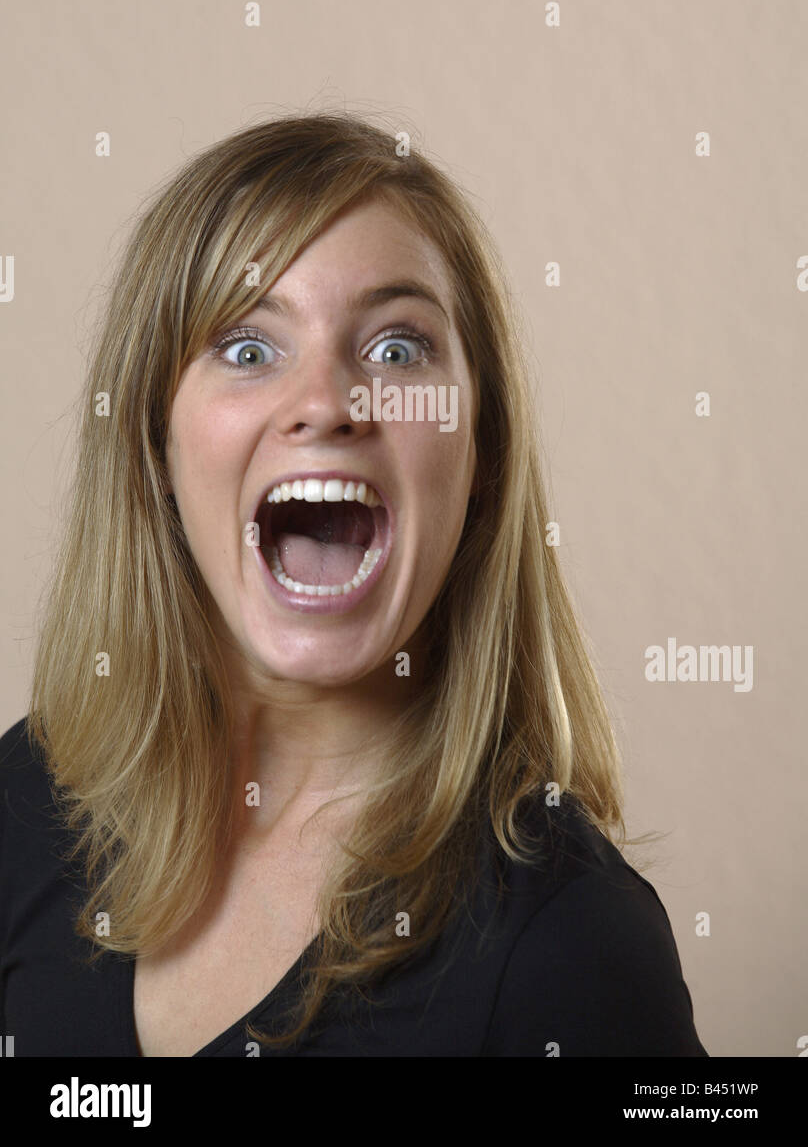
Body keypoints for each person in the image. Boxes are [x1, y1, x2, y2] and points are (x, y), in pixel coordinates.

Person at [0, 113, 708, 1057]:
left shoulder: (574, 950)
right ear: (154, 446)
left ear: (482, 451)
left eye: (397, 349)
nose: (330, 404)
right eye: (248, 349)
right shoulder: (28, 802)